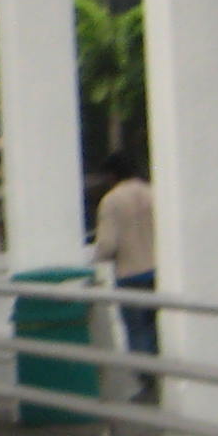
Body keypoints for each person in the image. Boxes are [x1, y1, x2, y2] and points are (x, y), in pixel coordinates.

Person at [91, 151, 158, 383]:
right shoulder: (153, 192)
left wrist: (97, 260)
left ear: (111, 175)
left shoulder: (112, 200)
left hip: (130, 274)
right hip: (158, 272)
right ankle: (163, 378)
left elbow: (108, 244)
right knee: (157, 329)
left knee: (137, 332)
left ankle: (146, 381)